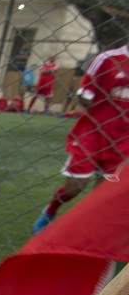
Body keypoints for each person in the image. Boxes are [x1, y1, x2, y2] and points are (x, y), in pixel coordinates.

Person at [32, 42, 129, 233]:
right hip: (92, 134)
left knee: (103, 193)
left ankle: (87, 228)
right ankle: (50, 211)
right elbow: (84, 95)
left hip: (122, 140)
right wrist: (106, 110)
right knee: (75, 186)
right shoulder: (108, 59)